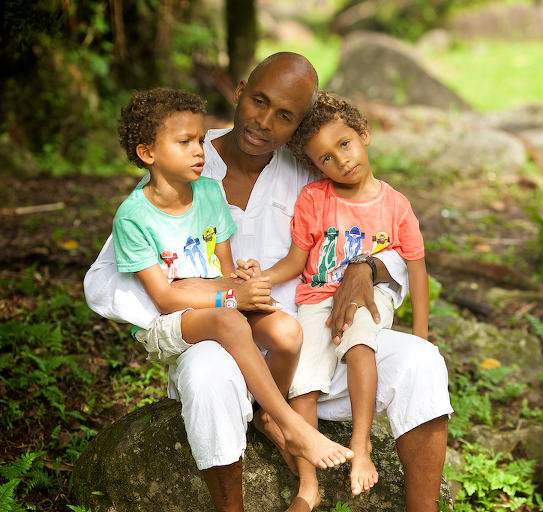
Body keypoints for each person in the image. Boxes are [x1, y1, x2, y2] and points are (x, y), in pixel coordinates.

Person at [84, 52, 452, 512]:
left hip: (309, 345)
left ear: (297, 127)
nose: (263, 122)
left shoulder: (312, 170)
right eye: (258, 101)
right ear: (239, 93)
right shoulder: (183, 160)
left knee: (421, 360)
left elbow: (386, 231)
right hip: (216, 341)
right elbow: (109, 280)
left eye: (285, 116)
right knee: (206, 373)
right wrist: (207, 304)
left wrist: (366, 267)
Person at [106, 87, 353, 472]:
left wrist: (242, 279)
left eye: (201, 140)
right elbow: (165, 299)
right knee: (228, 319)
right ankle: (291, 424)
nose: (199, 151)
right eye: (185, 142)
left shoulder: (208, 192)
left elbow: (223, 269)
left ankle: (266, 414)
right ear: (147, 153)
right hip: (175, 320)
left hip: (218, 301)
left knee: (287, 332)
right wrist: (231, 298)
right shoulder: (133, 217)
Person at [236, 90, 430, 500]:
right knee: (302, 384)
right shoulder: (314, 199)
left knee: (361, 345)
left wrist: (421, 334)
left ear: (363, 134)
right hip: (314, 299)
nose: (341, 160)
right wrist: (261, 278)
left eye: (345, 144)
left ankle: (361, 447)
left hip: (365, 297)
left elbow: (416, 268)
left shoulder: (395, 205)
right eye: (326, 158)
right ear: (314, 166)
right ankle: (309, 488)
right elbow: (295, 261)